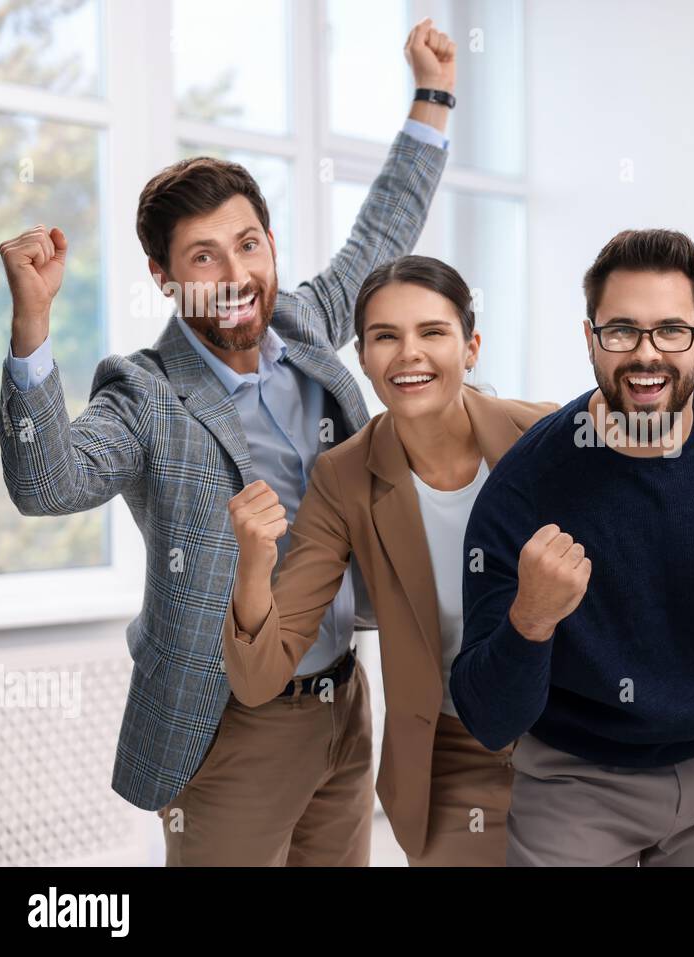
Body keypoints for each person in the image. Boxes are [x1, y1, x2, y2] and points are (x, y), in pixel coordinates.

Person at [0, 19, 459, 866]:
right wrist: (31, 326)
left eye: (248, 243)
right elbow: (48, 486)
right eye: (203, 258)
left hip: (345, 706)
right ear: (165, 280)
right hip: (228, 727)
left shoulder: (308, 323)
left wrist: (431, 95)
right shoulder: (145, 390)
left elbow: (383, 231)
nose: (236, 273)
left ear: (271, 245)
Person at [450, 228, 694, 866]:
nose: (646, 354)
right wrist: (532, 619)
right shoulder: (523, 487)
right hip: (575, 782)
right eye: (621, 330)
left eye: (672, 330)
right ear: (590, 339)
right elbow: (488, 717)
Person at [222, 256, 556, 865]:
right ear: (364, 357)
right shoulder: (345, 476)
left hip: (574, 741)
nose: (409, 355)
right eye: (385, 337)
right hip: (454, 754)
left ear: (471, 346)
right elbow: (258, 674)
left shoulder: (546, 438)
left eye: (432, 332)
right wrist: (251, 564)